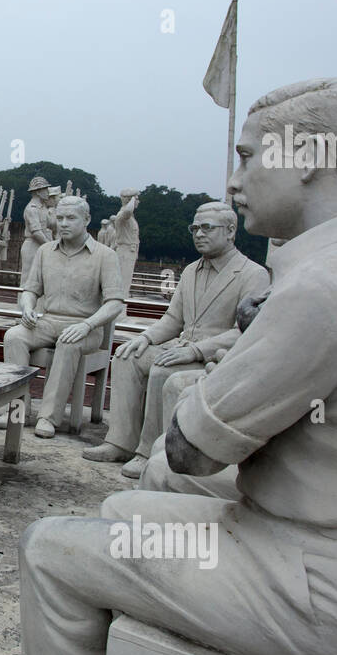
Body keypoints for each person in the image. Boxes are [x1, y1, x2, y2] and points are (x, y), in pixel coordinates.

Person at [18, 77, 337, 655]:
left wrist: (238, 345)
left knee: (49, 548)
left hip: (320, 593)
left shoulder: (331, 285)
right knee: (122, 506)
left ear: (306, 157)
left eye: (250, 156)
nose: (235, 179)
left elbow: (191, 451)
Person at [82, 201, 268, 477]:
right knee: (127, 357)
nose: (199, 234)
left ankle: (149, 452)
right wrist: (145, 337)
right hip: (181, 348)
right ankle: (120, 441)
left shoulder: (253, 274)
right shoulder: (192, 270)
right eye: (195, 228)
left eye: (207, 228)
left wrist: (196, 351)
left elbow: (245, 332)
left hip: (216, 358)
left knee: (162, 371)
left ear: (230, 231)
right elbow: (173, 320)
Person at [0, 195, 125, 438]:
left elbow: (115, 303)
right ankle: (18, 409)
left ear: (87, 220)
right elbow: (30, 290)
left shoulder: (105, 256)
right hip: (48, 321)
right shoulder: (45, 252)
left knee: (68, 341)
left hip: (86, 328)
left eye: (71, 218)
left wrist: (87, 325)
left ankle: (48, 417)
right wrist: (28, 307)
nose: (63, 224)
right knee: (14, 336)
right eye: (59, 218)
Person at [113, 189, 140, 294]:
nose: (138, 201)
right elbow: (128, 211)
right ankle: (121, 309)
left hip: (130, 251)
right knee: (123, 287)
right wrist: (132, 199)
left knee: (125, 285)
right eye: (136, 199)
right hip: (125, 251)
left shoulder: (130, 218)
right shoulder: (122, 215)